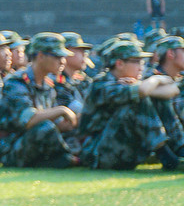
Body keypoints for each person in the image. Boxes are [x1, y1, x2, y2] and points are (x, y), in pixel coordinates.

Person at [78, 40, 182, 171]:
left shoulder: (130, 83)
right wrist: (156, 79)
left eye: (142, 62)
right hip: (98, 154)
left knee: (153, 97)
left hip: (119, 149)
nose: (141, 67)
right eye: (137, 62)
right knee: (138, 100)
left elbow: (172, 91)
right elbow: (143, 91)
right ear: (120, 64)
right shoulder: (101, 84)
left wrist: (146, 87)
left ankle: (179, 148)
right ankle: (164, 154)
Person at [0, 33, 79, 168]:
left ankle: (68, 158)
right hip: (12, 148)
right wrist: (62, 110)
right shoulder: (16, 82)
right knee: (45, 127)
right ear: (40, 56)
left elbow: (56, 124)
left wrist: (75, 122)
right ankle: (69, 158)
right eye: (57, 56)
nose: (63, 61)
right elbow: (28, 120)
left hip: (35, 143)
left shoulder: (48, 85)